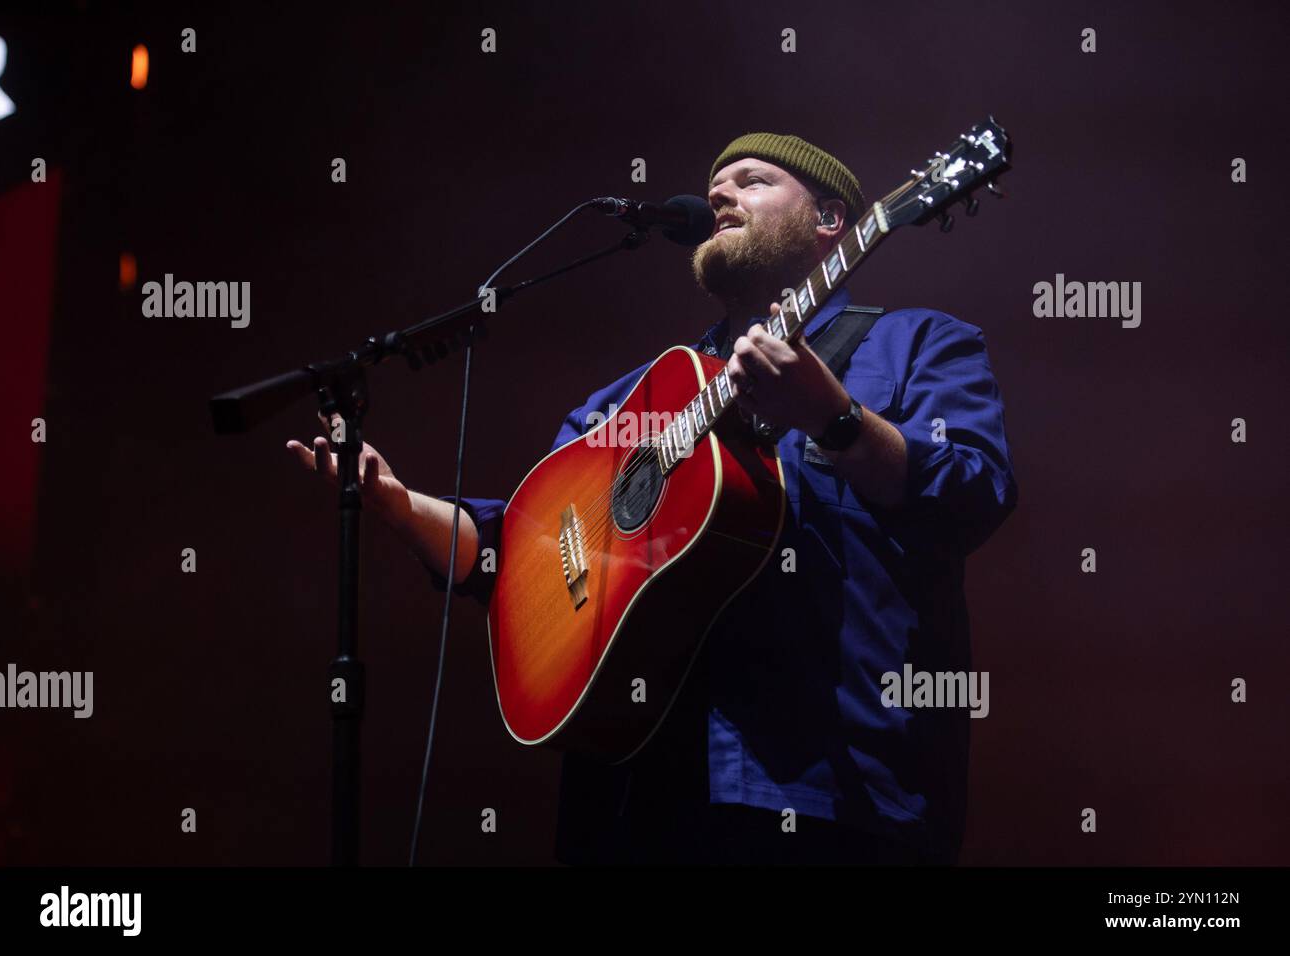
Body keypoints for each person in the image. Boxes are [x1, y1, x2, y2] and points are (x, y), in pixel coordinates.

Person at [287, 133, 1019, 865]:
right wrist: (399, 504)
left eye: (753, 180)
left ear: (831, 219)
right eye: (715, 186)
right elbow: (528, 555)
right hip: (634, 793)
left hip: (830, 788)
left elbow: (973, 495)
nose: (720, 194)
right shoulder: (629, 402)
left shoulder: (918, 343)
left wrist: (835, 418)